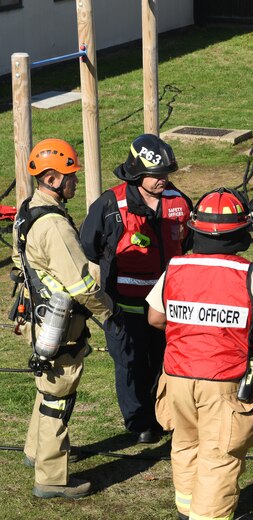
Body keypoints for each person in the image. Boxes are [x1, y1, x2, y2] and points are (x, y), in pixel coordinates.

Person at [147, 187, 253, 520]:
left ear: (195, 230)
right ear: (242, 234)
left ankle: (186, 507)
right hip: (223, 380)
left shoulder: (175, 268)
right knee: (220, 454)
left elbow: (155, 318)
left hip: (177, 377)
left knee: (185, 442)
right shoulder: (251, 275)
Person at [12, 138, 116, 499]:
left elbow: (18, 261)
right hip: (59, 326)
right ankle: (52, 478)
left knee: (47, 390)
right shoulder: (54, 225)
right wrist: (109, 311)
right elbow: (82, 285)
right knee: (59, 396)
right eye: (71, 176)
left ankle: (35, 452)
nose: (76, 182)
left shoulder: (28, 209)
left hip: (37, 318)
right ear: (53, 178)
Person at [81, 134, 192, 444]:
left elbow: (187, 243)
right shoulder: (109, 204)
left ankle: (162, 415)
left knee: (163, 360)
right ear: (135, 173)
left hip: (167, 304)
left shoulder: (179, 202)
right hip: (123, 306)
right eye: (155, 175)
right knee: (130, 363)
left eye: (166, 174)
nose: (162, 180)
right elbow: (89, 245)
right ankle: (139, 423)